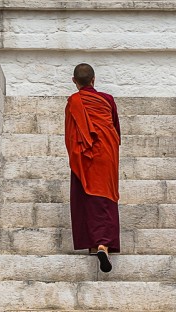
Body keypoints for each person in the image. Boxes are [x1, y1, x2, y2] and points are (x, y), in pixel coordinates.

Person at [65, 62, 120, 273]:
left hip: (83, 154)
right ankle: (104, 244)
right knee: (105, 197)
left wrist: (76, 154)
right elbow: (114, 128)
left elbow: (71, 134)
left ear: (74, 82)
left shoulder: (73, 102)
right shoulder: (107, 100)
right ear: (94, 80)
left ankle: (94, 242)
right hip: (106, 152)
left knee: (87, 197)